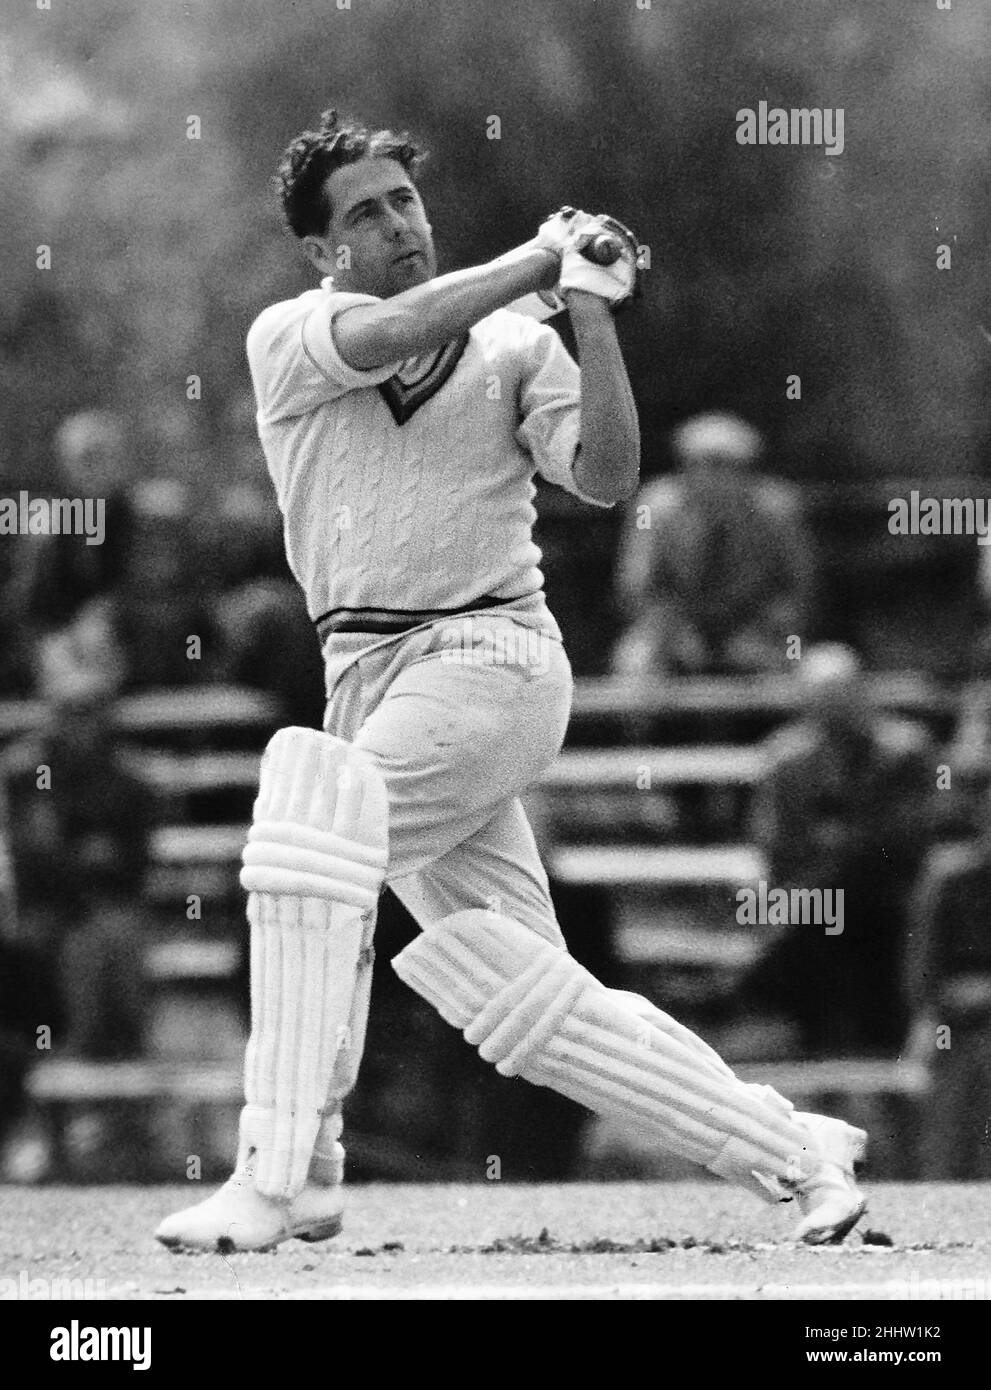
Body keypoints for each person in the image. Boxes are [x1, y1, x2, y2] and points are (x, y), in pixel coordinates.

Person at [156, 109, 866, 1253]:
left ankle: (283, 1167)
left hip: (492, 658)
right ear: (318, 252)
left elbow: (608, 473)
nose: (398, 224)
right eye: (364, 215)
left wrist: (586, 311)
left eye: (405, 201)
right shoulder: (289, 336)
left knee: (313, 824)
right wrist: (539, 262)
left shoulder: (516, 348)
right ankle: (790, 1150)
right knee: (519, 996)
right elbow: (392, 335)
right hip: (371, 677)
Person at [739, 644, 934, 1056]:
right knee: (804, 913)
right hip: (817, 895)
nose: (836, 715)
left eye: (843, 700)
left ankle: (881, 1040)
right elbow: (773, 842)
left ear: (862, 693)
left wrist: (848, 846)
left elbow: (913, 834)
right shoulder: (785, 760)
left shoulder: (906, 750)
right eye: (825, 704)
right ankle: (819, 1039)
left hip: (890, 891)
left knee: (852, 909)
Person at [612, 412, 814, 677]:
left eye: (727, 466)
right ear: (684, 467)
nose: (714, 477)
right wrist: (675, 633)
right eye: (703, 464)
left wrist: (764, 629)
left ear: (748, 471)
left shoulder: (778, 508)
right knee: (634, 662)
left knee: (802, 660)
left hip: (758, 630)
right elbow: (634, 588)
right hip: (673, 628)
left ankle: (787, 720)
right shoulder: (655, 507)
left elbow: (800, 588)